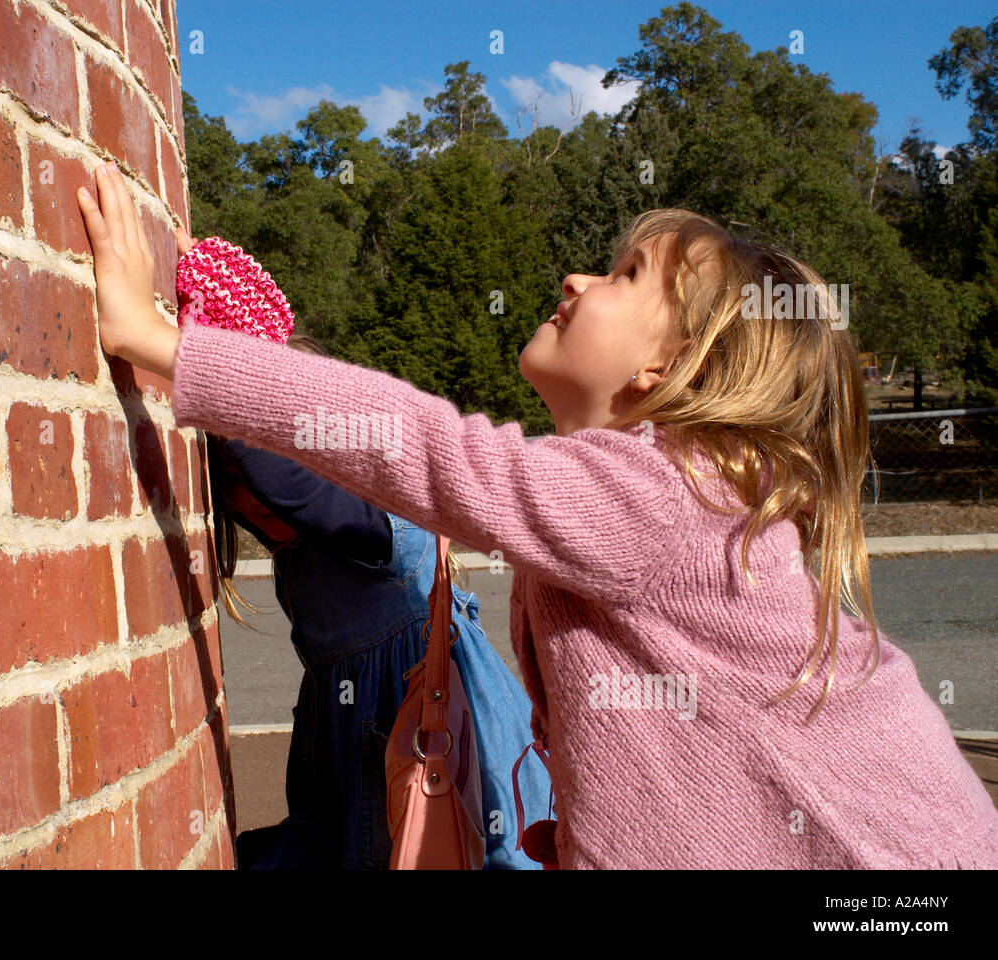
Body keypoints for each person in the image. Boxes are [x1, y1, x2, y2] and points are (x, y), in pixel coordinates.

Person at [77, 166, 998, 867]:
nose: (573, 277)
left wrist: (160, 342)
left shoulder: (671, 495)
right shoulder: (650, 499)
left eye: (624, 273)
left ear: (666, 367)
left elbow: (425, 448)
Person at [207, 334, 549, 870]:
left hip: (426, 740)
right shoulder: (297, 553)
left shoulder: (369, 519)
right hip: (351, 753)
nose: (255, 494)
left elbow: (285, 483)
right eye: (231, 479)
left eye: (280, 457)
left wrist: (214, 346)